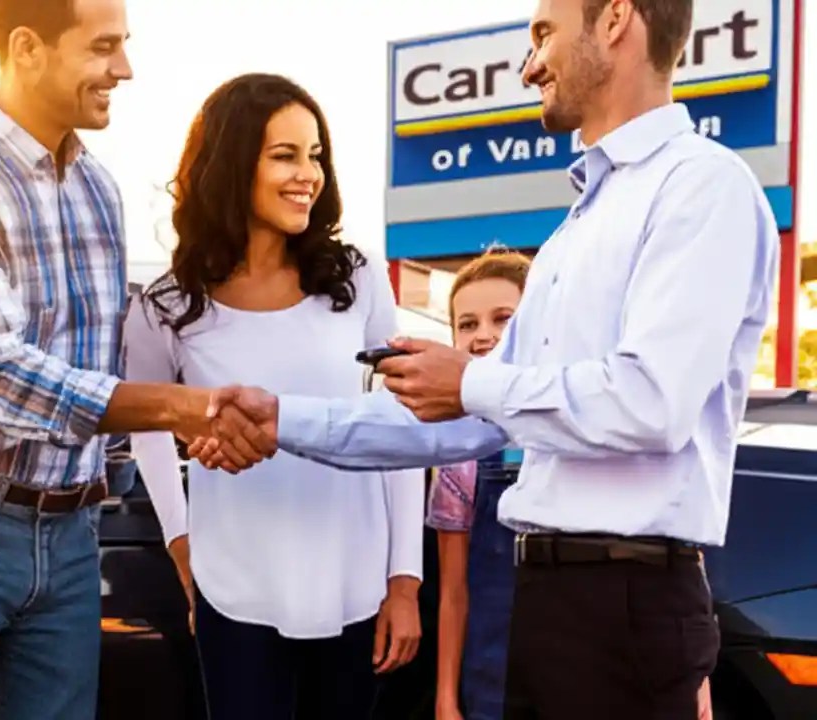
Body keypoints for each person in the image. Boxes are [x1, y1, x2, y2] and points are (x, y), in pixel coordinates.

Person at [191, 1, 778, 718]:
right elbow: (463, 425)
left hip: (629, 604)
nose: (531, 64)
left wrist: (472, 381)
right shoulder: (573, 233)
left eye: (543, 34)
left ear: (617, 18)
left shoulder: (701, 186)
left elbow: (651, 403)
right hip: (547, 604)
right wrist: (281, 419)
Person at [0, 1, 270, 718]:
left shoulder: (96, 190)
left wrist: (206, 418)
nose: (125, 68)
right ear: (27, 48)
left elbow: (107, 361)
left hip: (73, 529)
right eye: (103, 47)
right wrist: (178, 408)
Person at [122, 72, 425, 720]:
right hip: (235, 587)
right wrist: (180, 543)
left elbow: (398, 423)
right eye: (285, 154)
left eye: (315, 155)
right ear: (233, 165)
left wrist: (405, 578)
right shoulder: (168, 306)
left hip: (356, 584)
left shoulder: (357, 277)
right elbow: (144, 425)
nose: (307, 174)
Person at [426, 249, 529, 720]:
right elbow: (454, 591)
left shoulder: (578, 427)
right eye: (467, 324)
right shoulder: (456, 451)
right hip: (490, 683)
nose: (483, 334)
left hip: (581, 673)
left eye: (502, 318)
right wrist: (447, 697)